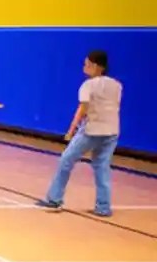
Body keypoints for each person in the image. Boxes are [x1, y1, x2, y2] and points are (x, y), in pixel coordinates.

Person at [36, 50, 122, 218]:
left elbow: (83, 109)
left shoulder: (88, 85)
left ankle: (54, 199)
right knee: (102, 167)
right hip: (112, 131)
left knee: (66, 160)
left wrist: (71, 130)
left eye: (86, 64)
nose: (84, 67)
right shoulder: (117, 85)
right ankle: (103, 207)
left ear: (95, 66)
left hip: (92, 130)